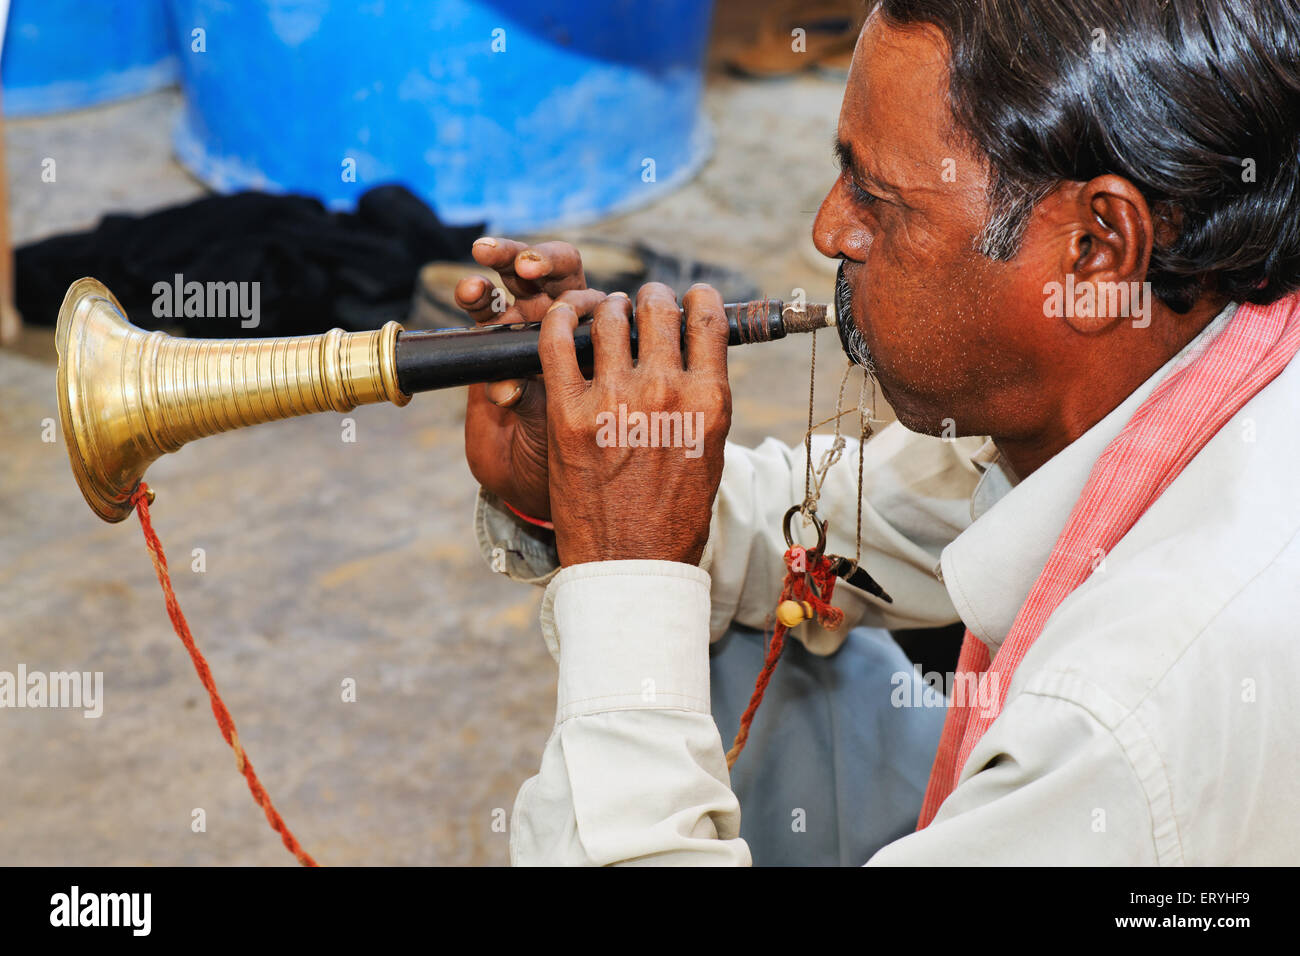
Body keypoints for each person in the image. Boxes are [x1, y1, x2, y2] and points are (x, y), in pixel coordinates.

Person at [456, 0, 1300, 865]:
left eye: (876, 196)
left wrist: (629, 574)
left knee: (654, 631)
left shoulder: (1123, 719)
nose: (829, 231)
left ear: (1094, 248)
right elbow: (845, 523)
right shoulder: (1193, 351)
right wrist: (578, 480)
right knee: (743, 630)